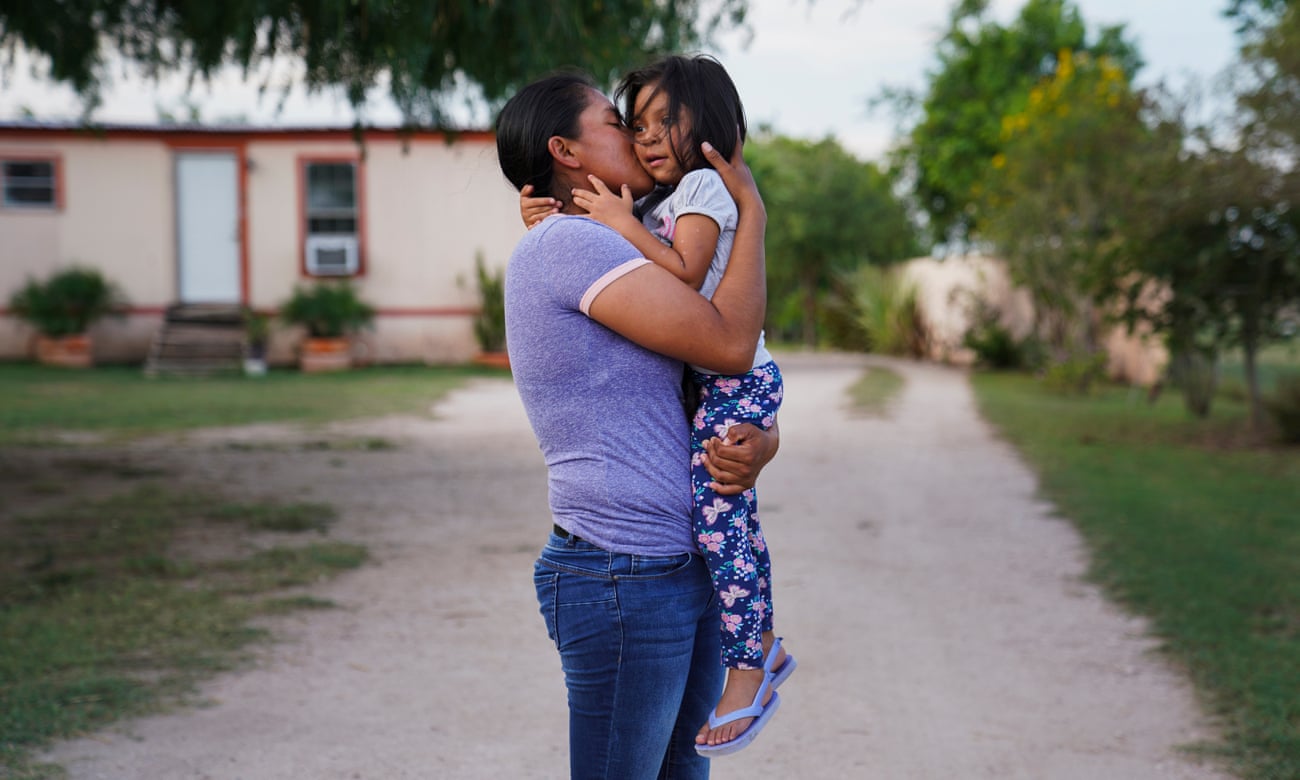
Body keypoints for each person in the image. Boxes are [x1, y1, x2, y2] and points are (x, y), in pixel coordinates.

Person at [495, 71, 779, 778]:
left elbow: (706, 385)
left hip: (674, 562)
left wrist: (759, 442)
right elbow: (730, 344)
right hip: (624, 569)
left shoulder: (624, 236)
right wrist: (754, 216)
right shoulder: (572, 246)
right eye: (615, 121)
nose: (636, 134)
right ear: (567, 151)